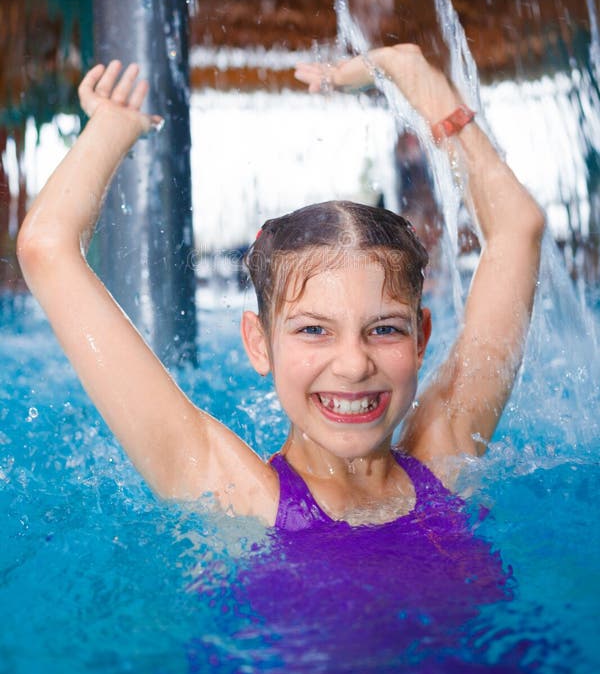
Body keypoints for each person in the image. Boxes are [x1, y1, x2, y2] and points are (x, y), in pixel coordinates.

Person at [16, 44, 545, 530]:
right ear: (259, 343)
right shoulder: (235, 492)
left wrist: (412, 74)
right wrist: (112, 126)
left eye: (383, 329)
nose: (353, 364)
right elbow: (46, 246)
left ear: (421, 335)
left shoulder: (445, 451)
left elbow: (518, 226)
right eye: (314, 329)